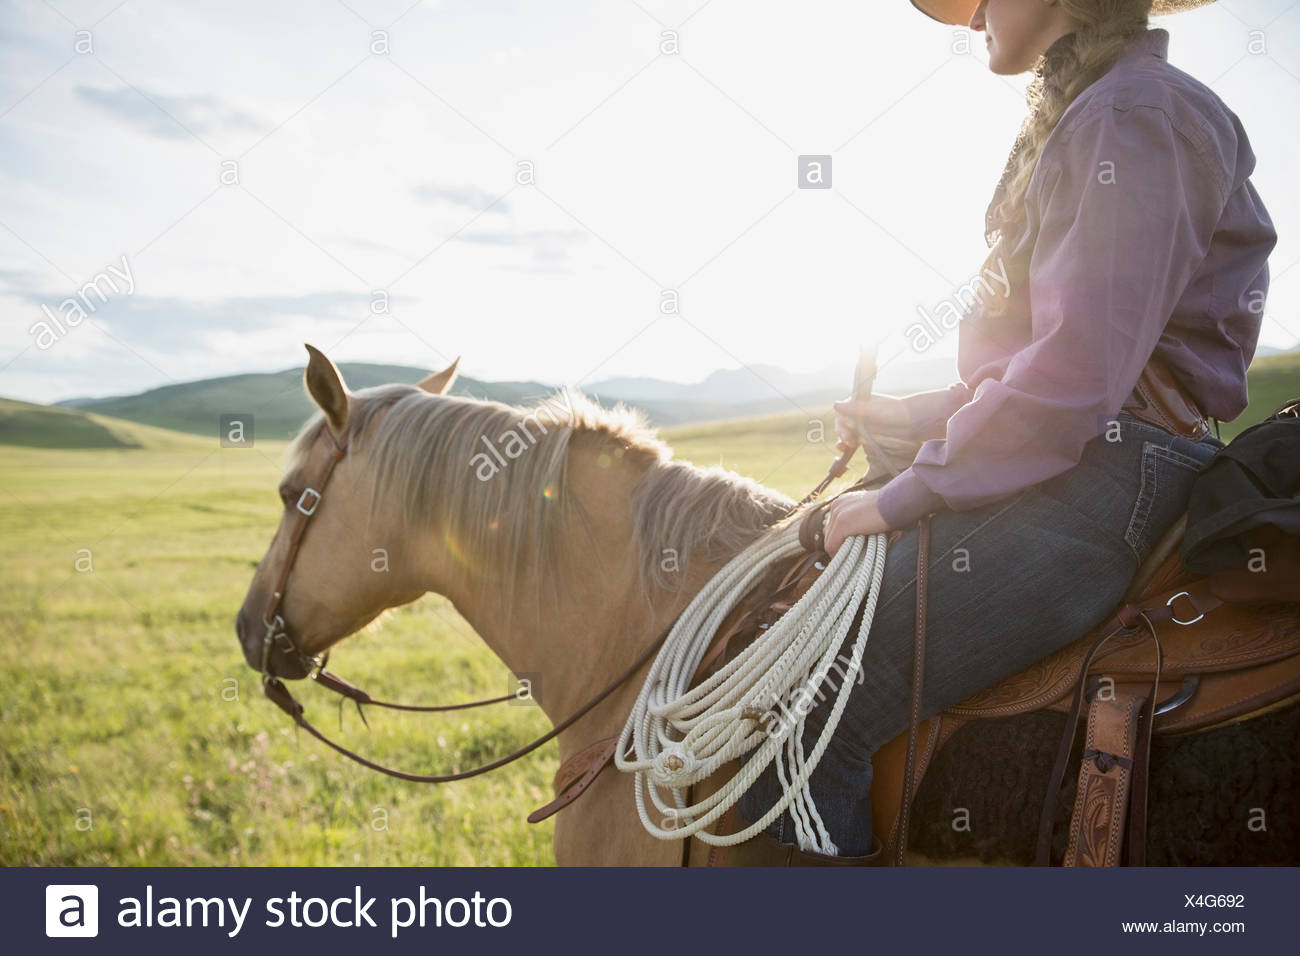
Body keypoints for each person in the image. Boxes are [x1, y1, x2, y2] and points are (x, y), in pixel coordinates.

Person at [735, 0, 1277, 861]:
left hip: (1103, 479)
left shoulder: (1129, 114)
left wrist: (898, 499)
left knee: (806, 707)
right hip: (1104, 457)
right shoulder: (1111, 109)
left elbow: (1076, 375)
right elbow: (1057, 368)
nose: (973, 13)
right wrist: (919, 419)